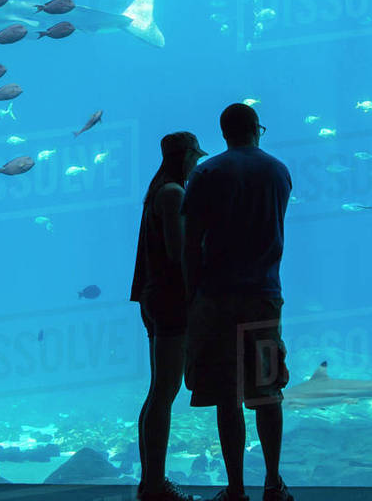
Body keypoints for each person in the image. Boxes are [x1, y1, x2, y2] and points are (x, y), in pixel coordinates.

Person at [181, 104, 293, 501]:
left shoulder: (206, 173)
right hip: (264, 297)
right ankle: (273, 482)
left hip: (217, 298)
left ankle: (235, 488)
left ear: (224, 132)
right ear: (256, 130)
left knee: (227, 395)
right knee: (267, 392)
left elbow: (190, 241)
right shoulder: (279, 171)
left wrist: (191, 294)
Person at [131, 132, 208, 501]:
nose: (196, 164)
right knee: (165, 391)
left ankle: (150, 481)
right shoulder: (174, 193)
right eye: (195, 157)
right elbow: (179, 253)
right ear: (186, 156)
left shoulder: (158, 190)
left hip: (155, 298)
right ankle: (155, 484)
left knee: (158, 391)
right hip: (171, 300)